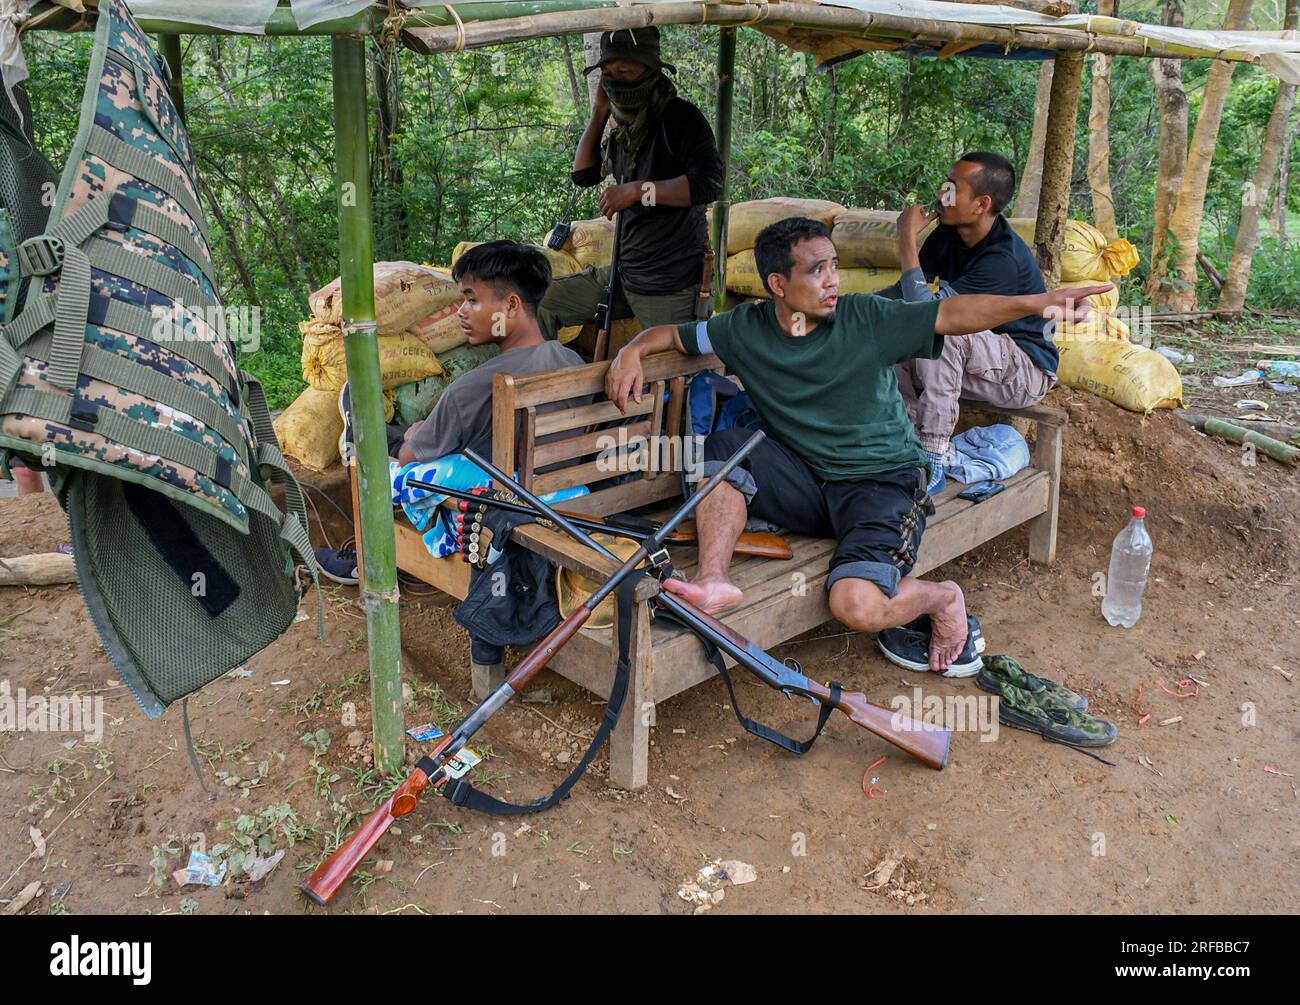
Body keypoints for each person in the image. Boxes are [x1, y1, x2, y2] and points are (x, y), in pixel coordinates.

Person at [604, 217, 1108, 674]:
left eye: (834, 266)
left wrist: (1037, 303)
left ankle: (943, 598)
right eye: (817, 270)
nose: (833, 281)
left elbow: (952, 314)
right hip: (808, 481)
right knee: (724, 448)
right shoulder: (743, 328)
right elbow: (674, 335)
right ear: (777, 284)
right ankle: (714, 580)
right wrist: (631, 350)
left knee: (855, 605)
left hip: (882, 484)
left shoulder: (865, 317)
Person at [316, 240, 586, 584]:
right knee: (421, 431)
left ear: (511, 305)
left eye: (472, 299)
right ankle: (380, 433)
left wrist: (415, 437)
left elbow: (412, 458)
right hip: (554, 492)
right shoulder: (574, 362)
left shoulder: (475, 386)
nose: (461, 311)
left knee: (393, 453)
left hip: (494, 506)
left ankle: (365, 550)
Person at [537, 27, 724, 355]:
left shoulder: (680, 118)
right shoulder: (625, 126)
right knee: (540, 303)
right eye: (608, 74)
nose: (615, 81)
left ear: (650, 70)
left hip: (670, 283)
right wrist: (599, 113)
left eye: (625, 71)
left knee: (672, 374)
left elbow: (709, 183)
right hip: (624, 274)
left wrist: (638, 191)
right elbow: (583, 174)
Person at [881, 152, 1059, 495]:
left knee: (945, 332)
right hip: (975, 363)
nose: (941, 195)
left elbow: (930, 315)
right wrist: (849, 310)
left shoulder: (1002, 259)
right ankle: (904, 443)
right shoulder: (947, 235)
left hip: (1024, 371)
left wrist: (906, 240)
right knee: (885, 334)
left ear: (981, 204)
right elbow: (904, 295)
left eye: (952, 188)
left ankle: (932, 459)